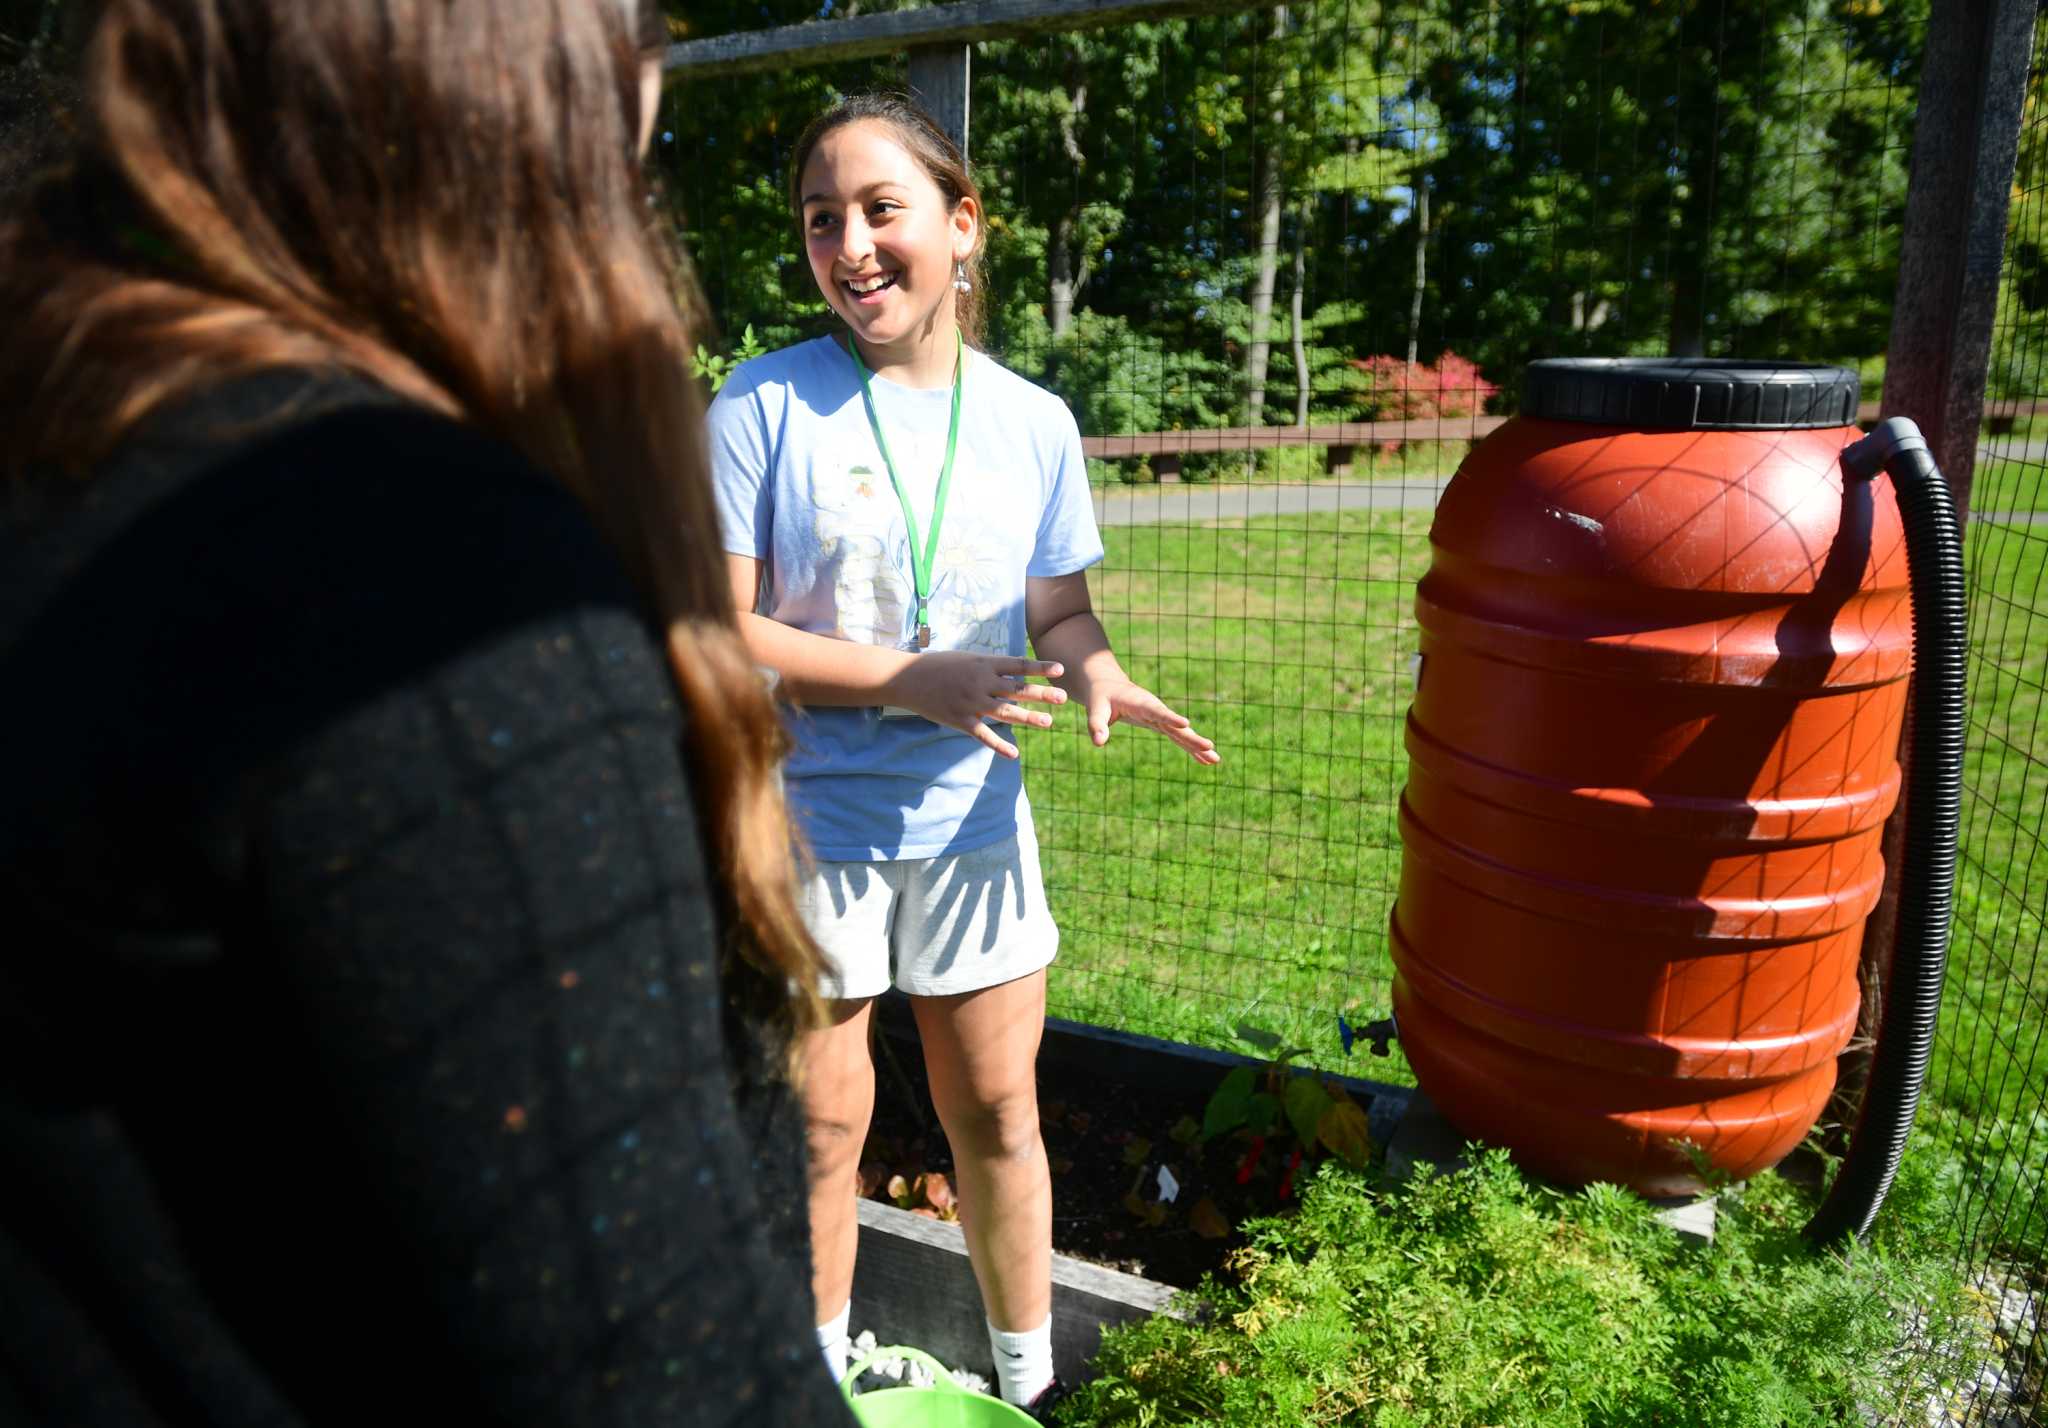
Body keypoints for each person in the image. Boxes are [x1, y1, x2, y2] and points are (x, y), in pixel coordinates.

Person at [0, 3, 853, 1424]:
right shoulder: (407, 576)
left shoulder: (75, 447)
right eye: (635, 26)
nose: (649, 85)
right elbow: (669, 1376)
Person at [707, 92, 1221, 1417]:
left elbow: (1059, 609)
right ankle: (815, 1391)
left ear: (964, 223)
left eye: (883, 211)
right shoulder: (761, 407)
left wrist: (1098, 668)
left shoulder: (1033, 424)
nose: (852, 247)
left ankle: (1028, 1388)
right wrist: (913, 682)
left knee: (996, 1120)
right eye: (823, 222)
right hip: (810, 835)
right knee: (824, 1131)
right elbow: (718, 630)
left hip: (975, 835)